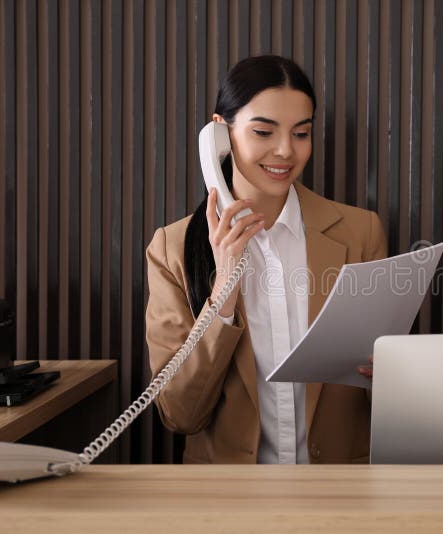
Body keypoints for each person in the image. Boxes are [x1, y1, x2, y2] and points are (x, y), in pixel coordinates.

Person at [144, 55, 387, 464]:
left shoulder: (361, 233)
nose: (285, 151)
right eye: (263, 131)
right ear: (220, 133)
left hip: (343, 494)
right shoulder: (171, 247)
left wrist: (390, 378)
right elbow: (179, 414)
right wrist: (223, 290)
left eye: (302, 133)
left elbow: (384, 390)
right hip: (230, 505)